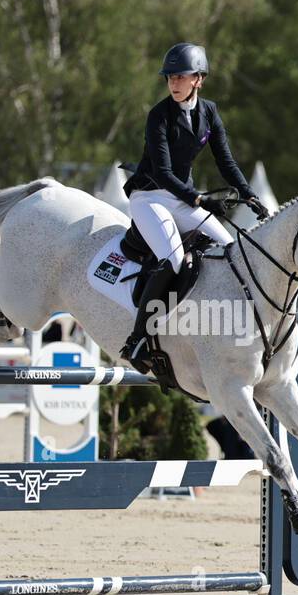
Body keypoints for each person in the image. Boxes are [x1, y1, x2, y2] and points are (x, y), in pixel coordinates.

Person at [119, 42, 265, 371]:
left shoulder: (209, 112)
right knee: (172, 259)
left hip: (180, 197)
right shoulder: (158, 115)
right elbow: (164, 173)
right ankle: (139, 338)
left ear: (198, 79)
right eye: (170, 77)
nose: (173, 83)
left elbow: (225, 160)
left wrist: (249, 194)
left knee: (231, 249)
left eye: (180, 77)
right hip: (149, 196)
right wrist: (200, 200)